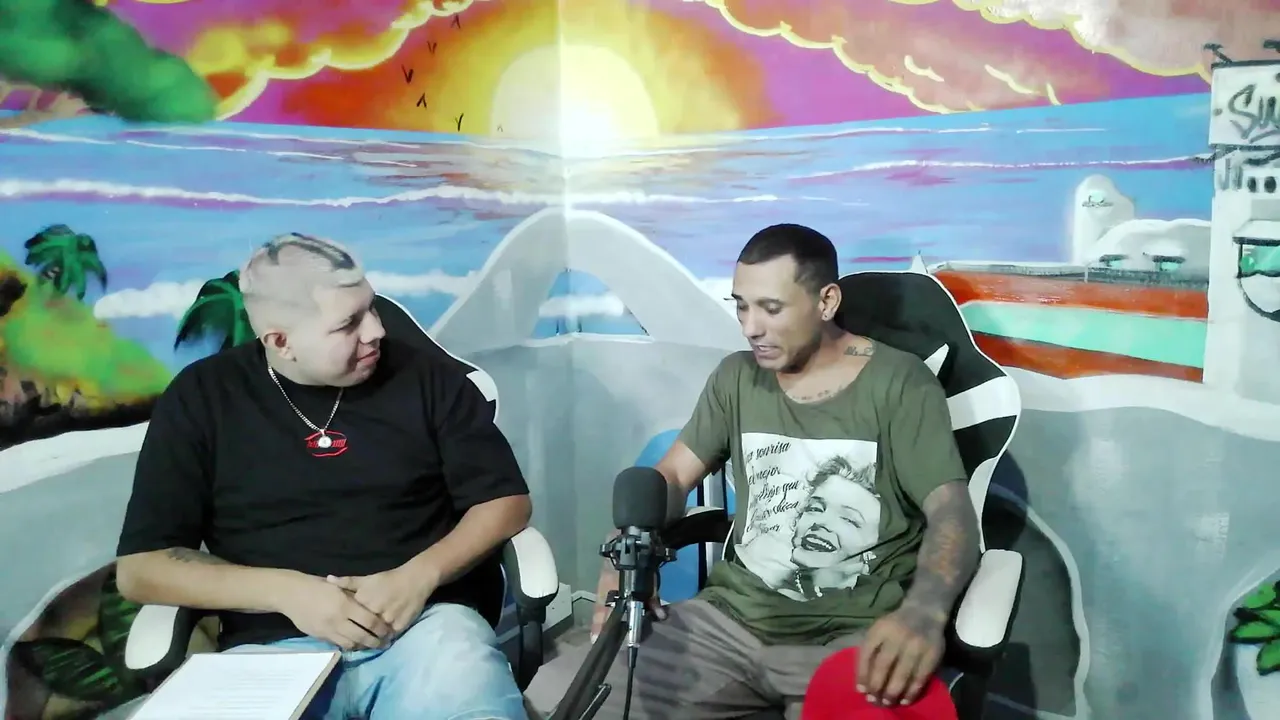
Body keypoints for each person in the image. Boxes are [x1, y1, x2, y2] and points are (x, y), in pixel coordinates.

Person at [526, 224, 979, 719]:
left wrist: (924, 611)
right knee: (553, 697)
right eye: (742, 306)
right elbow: (673, 476)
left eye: (771, 308)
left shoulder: (900, 385)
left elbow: (950, 513)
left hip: (851, 637)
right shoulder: (736, 378)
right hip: (729, 624)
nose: (750, 327)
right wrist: (629, 543)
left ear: (826, 302)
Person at [114, 233, 533, 720]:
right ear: (281, 341)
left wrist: (419, 575)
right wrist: (289, 592)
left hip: (426, 633)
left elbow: (506, 501)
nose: (376, 330)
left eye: (371, 307)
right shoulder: (201, 398)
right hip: (272, 650)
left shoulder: (426, 378)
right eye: (349, 323)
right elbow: (142, 569)